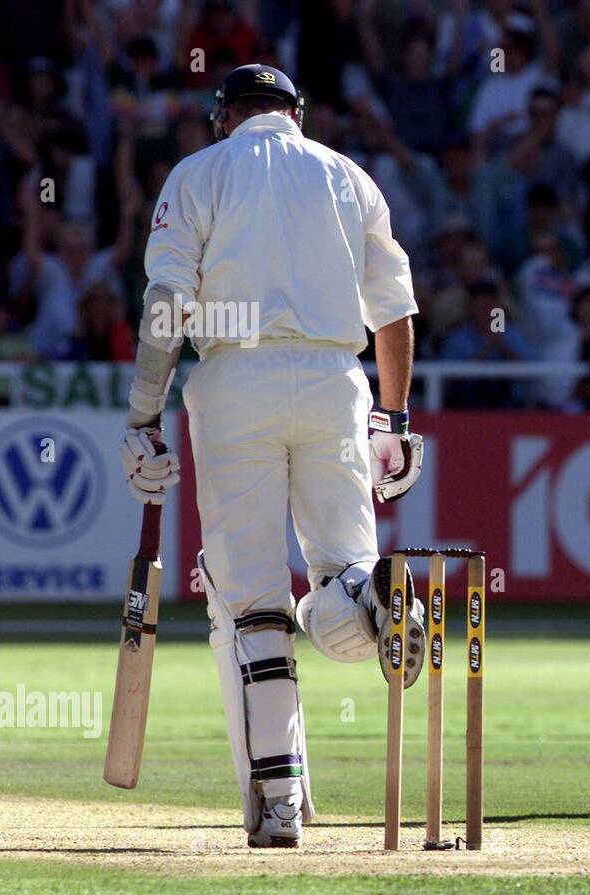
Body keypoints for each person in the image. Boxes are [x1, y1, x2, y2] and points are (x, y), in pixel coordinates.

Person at [118, 64, 426, 847]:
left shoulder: (198, 173)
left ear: (224, 116)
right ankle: (368, 591)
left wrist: (142, 416)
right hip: (336, 379)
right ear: (298, 111)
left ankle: (281, 799)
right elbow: (393, 311)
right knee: (335, 575)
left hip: (236, 381)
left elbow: (165, 305)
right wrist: (392, 416)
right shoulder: (348, 175)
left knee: (252, 600)